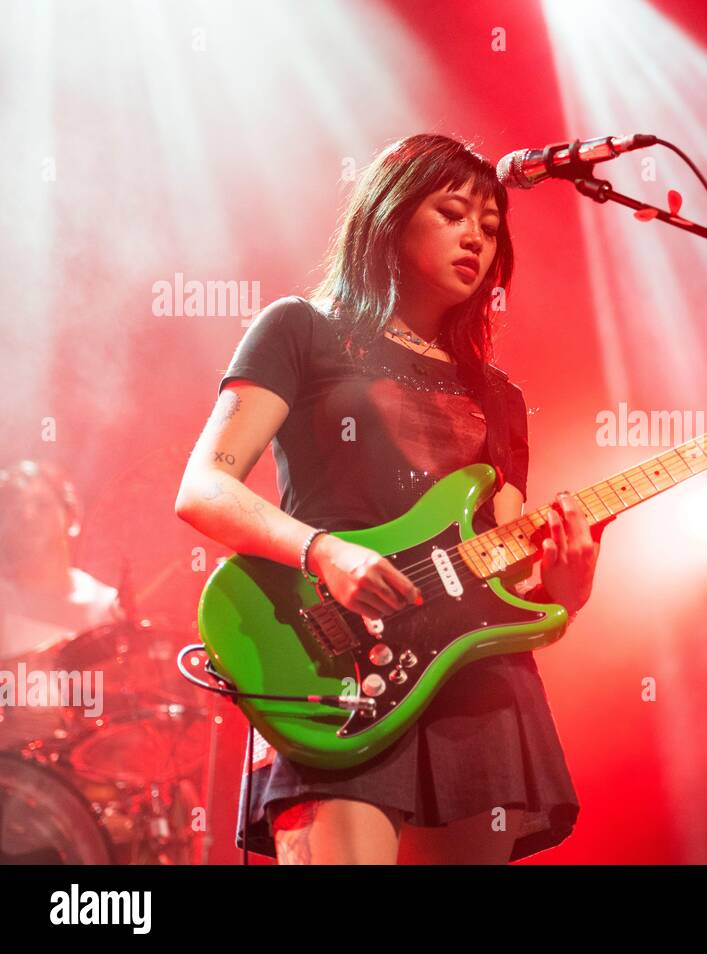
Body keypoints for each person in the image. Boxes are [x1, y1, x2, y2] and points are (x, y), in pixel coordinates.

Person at [174, 134, 601, 864]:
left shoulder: (500, 397)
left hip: (476, 689)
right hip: (335, 663)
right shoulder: (302, 329)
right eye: (452, 213)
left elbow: (505, 573)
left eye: (492, 228)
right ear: (391, 217)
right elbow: (204, 487)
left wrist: (569, 582)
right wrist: (324, 550)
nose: (477, 237)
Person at [0, 460, 125, 750]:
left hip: (88, 773)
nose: (27, 516)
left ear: (72, 519)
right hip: (14, 773)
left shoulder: (105, 604)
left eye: (41, 505)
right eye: (16, 509)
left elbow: (123, 703)